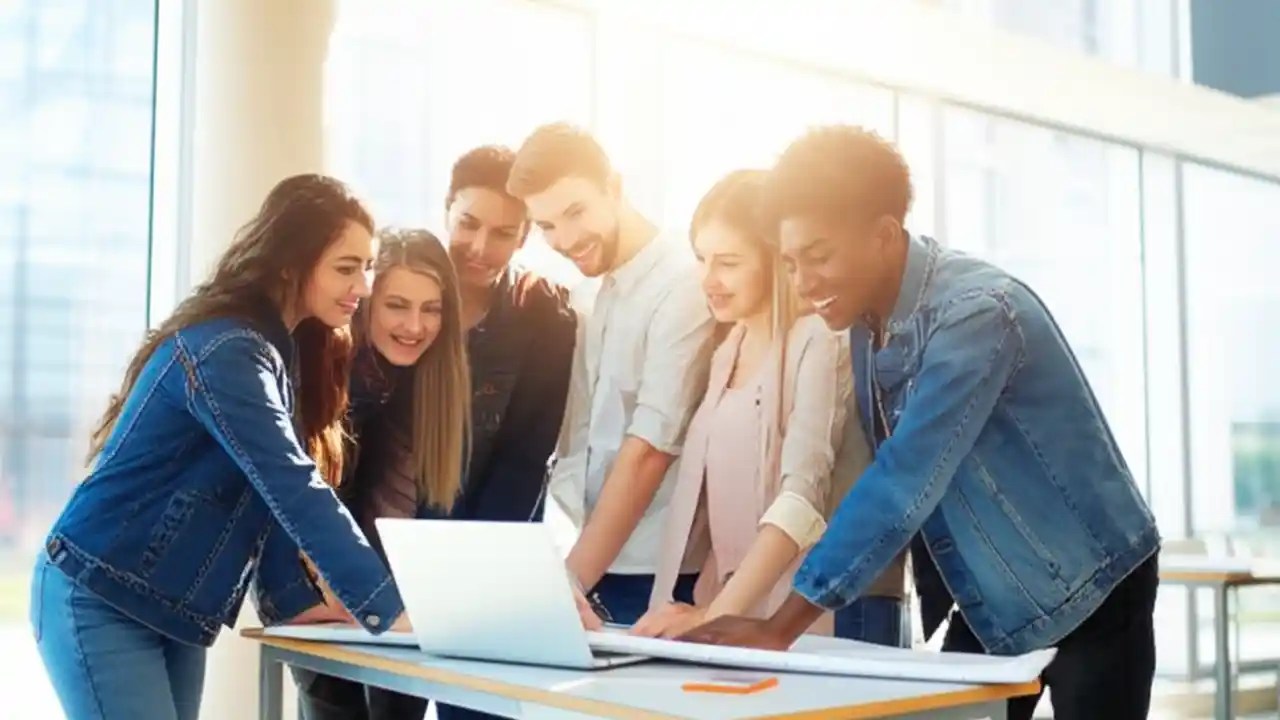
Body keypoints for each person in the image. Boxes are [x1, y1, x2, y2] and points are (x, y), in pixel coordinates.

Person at [678, 126, 1160, 720]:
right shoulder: (866, 317)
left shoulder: (977, 314)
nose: (803, 283)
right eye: (791, 263)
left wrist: (780, 627)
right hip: (993, 592)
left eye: (819, 257)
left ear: (883, 235)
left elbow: (902, 479)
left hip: (1091, 583)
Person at [29, 175, 408, 720]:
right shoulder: (229, 349)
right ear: (290, 262)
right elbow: (291, 484)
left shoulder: (278, 350)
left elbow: (265, 499)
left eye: (367, 267)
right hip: (100, 593)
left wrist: (293, 601)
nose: (364, 286)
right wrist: (383, 608)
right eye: (347, 267)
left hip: (173, 609)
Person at [631, 169, 905, 645]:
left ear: (776, 261)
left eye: (728, 262)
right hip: (732, 604)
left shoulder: (820, 341)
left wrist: (717, 616)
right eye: (701, 259)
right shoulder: (726, 350)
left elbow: (801, 499)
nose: (708, 280)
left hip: (811, 613)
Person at [507, 123, 716, 625]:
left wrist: (569, 583)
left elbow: (650, 450)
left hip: (655, 573)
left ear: (615, 187)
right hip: (592, 561)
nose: (564, 239)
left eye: (575, 212)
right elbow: (579, 440)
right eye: (547, 225)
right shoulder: (590, 292)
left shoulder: (683, 283)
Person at [291, 228, 472, 720]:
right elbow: (297, 503)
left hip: (402, 591)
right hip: (317, 585)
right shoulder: (322, 371)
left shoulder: (432, 383)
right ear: (366, 301)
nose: (415, 326)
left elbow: (430, 511)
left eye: (431, 309)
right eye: (397, 305)